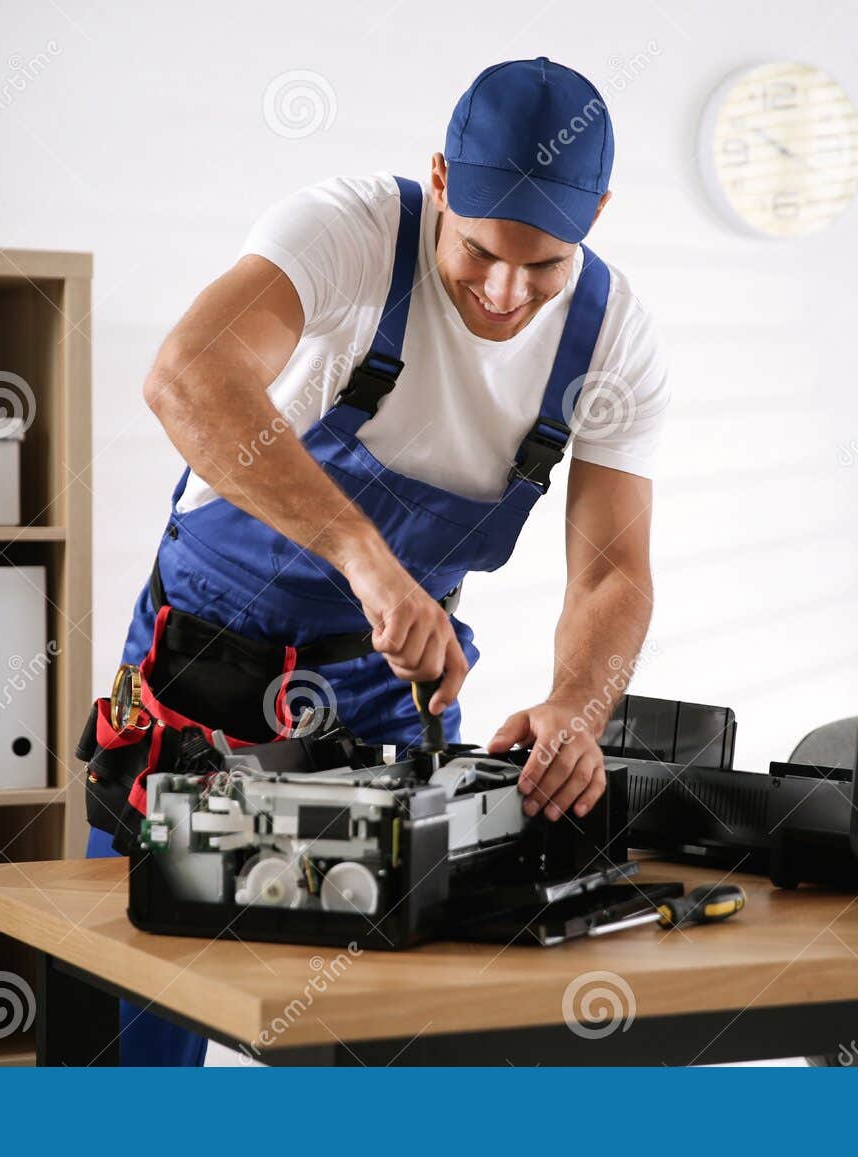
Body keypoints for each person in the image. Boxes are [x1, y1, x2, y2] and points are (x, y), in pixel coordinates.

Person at [84, 56, 670, 1065]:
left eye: (543, 266)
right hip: (201, 666)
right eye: (482, 251)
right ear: (441, 181)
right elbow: (188, 375)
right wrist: (364, 553)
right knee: (139, 992)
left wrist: (578, 702)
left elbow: (612, 571)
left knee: (391, 1011)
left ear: (598, 213)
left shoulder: (615, 336)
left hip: (385, 688)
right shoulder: (350, 231)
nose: (504, 291)